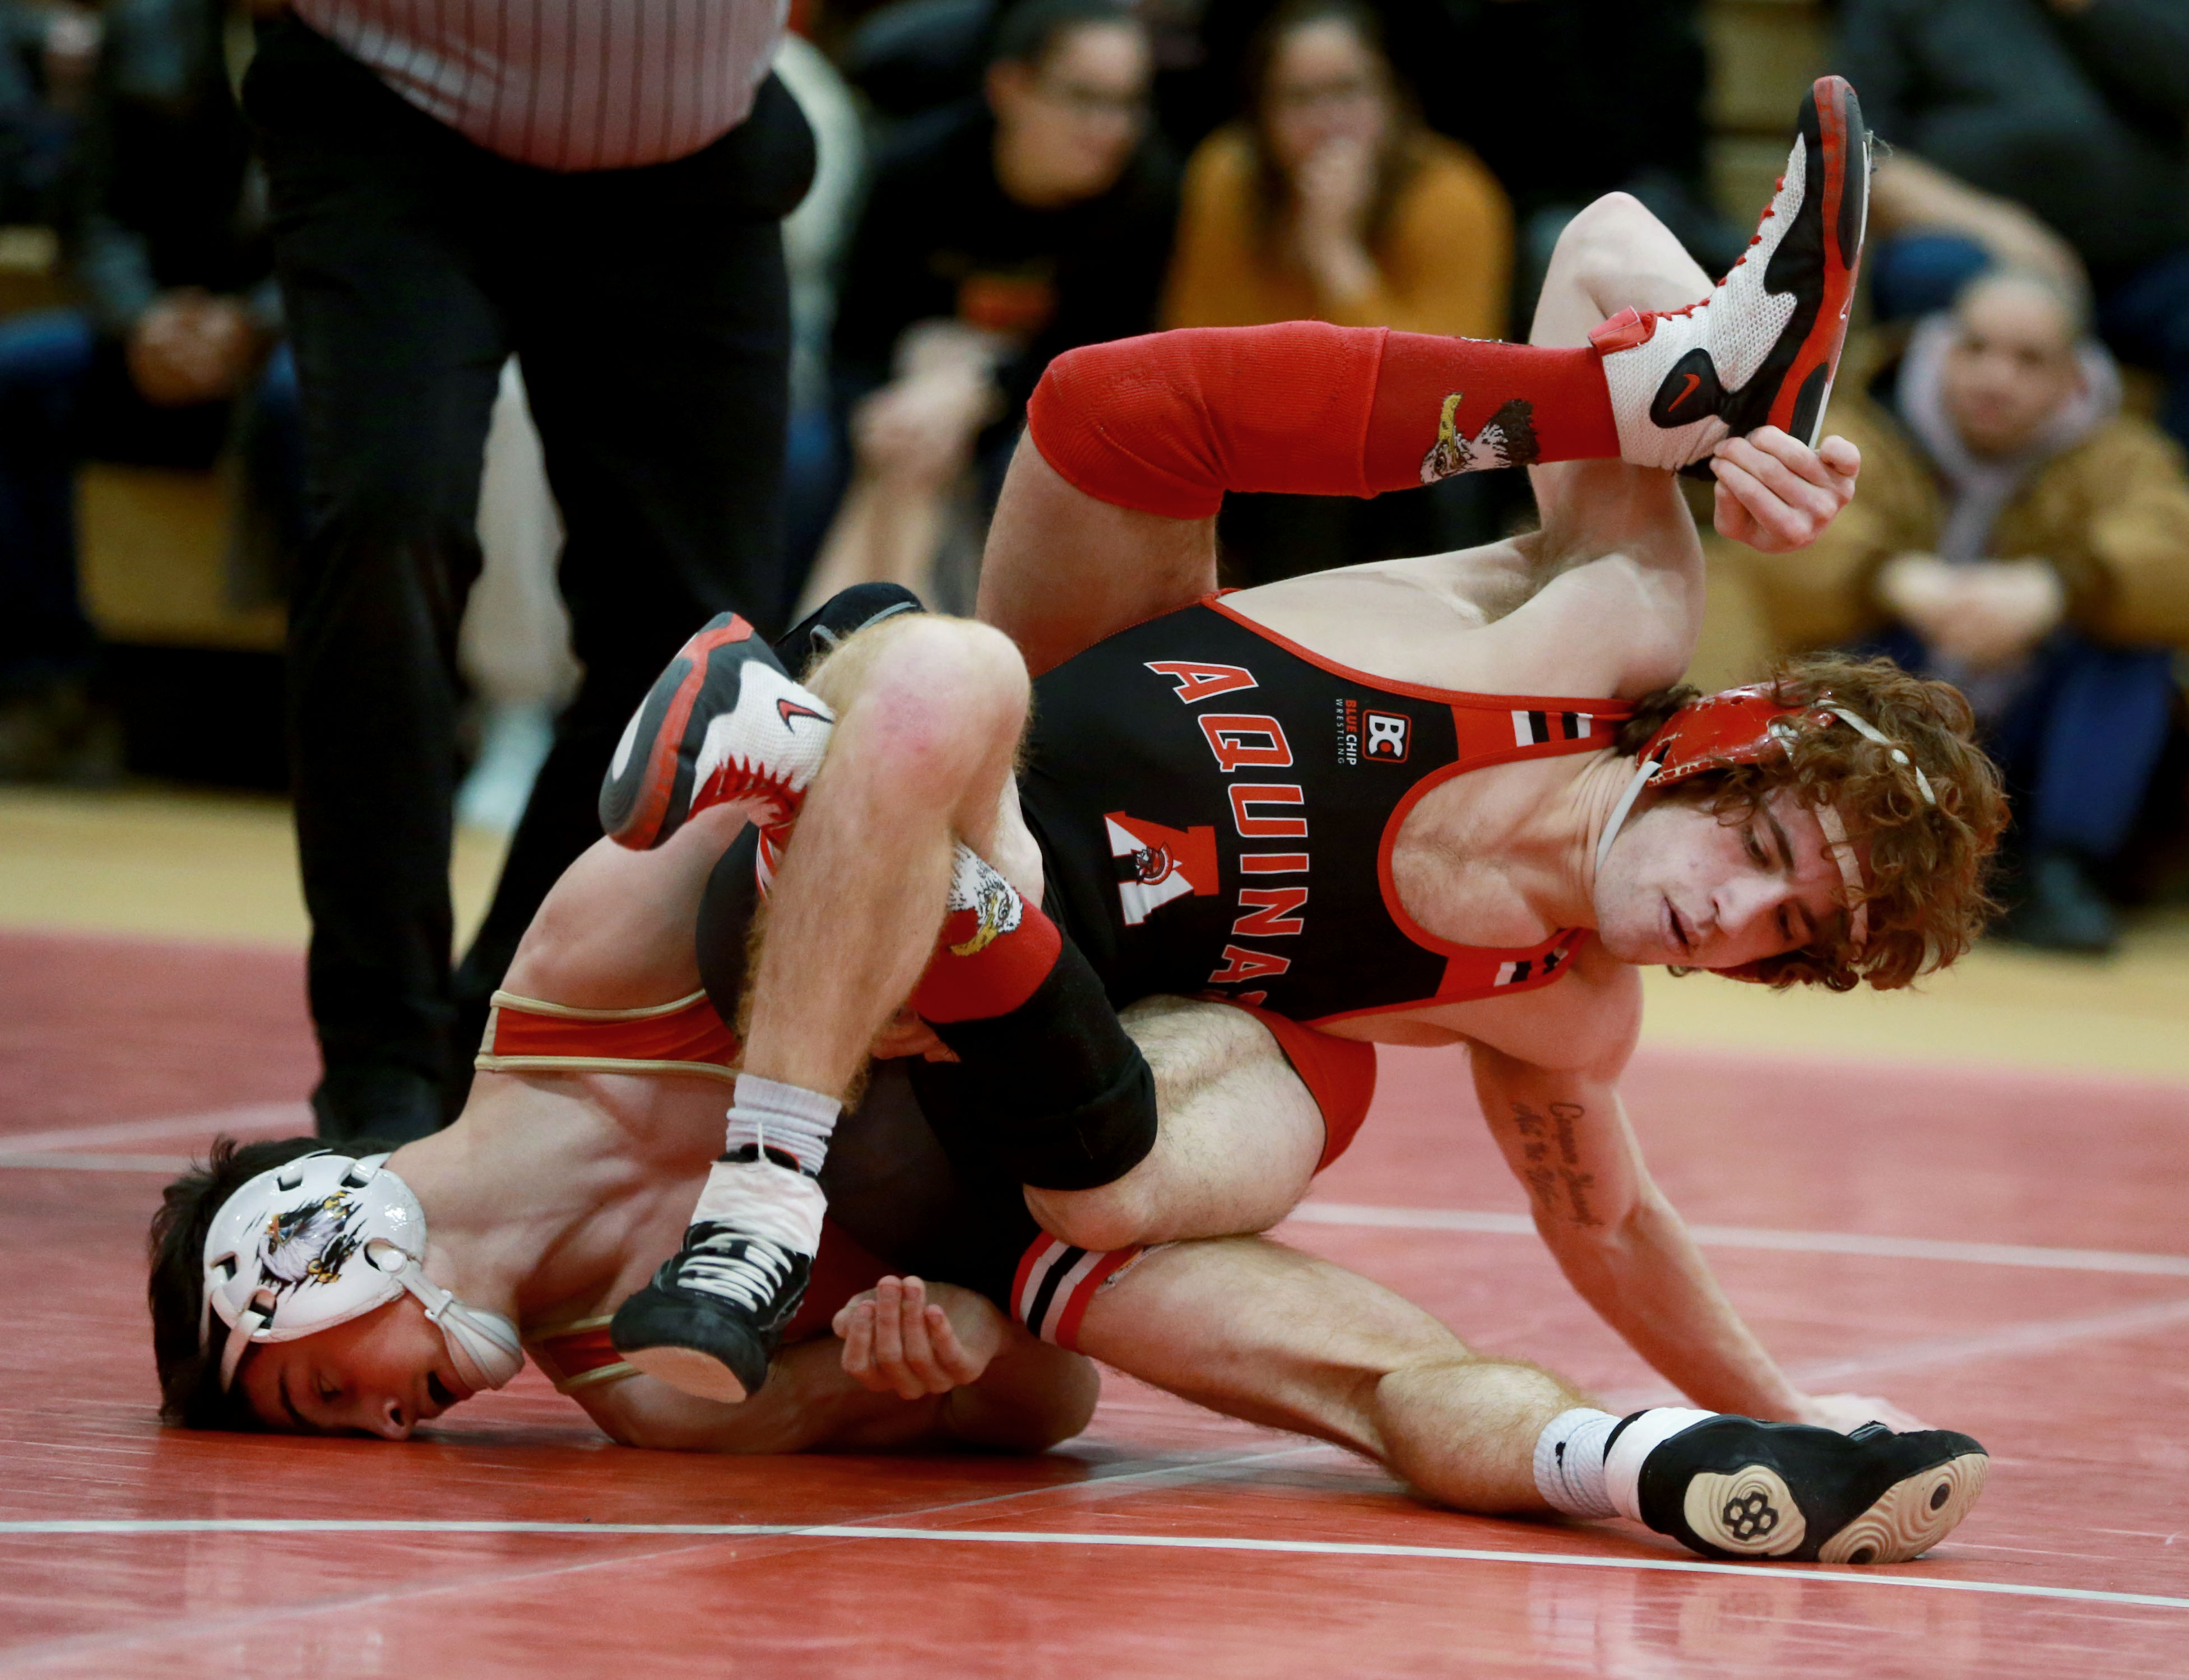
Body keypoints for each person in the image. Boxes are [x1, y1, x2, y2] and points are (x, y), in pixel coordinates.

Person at [597, 81, 2003, 1446]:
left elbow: (1611, 1220)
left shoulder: (1560, 1007)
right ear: (1713, 751)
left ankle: (842, 768)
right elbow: (1603, 240)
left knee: (1180, 1159)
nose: (1733, 920)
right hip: (1037, 736)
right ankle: (1668, 386)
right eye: (1762, 858)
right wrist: (1762, 425)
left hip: (1052, 1028)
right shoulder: (1610, 623)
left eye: (1788, 936)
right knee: (1107, 404)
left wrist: (1784, 1410)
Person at [147, 768, 1991, 1571]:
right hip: (1070, 1185)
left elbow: (884, 741)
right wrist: (941, 1350)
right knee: (1336, 1369)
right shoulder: (653, 1383)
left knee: (908, 697)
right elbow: (1053, 1392)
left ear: (306, 1245)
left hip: (1128, 938)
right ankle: (1682, 1462)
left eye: (332, 1387)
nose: (387, 1425)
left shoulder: (578, 973)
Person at [241, 0, 815, 1146]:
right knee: (385, 523)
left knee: (695, 638)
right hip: (394, 113)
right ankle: (379, 1055)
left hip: (695, 154)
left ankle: (488, 1023)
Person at [1731, 270, 2189, 952]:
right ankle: (1839, 864)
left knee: (2132, 655)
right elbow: (1774, 548)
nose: (1994, 377)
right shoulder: (1861, 427)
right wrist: (1891, 580)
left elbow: (2172, 553)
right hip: (1907, 702)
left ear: (2075, 377)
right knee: (1846, 660)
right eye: (1975, 349)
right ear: (1942, 350)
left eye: (2028, 360)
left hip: (2040, 733)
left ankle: (2063, 872)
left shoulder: (2124, 456)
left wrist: (2061, 589)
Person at [0, 0, 299, 783]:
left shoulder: (375, 40)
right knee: (13, 378)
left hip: (303, 330)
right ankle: (49, 686)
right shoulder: (148, 23)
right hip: (156, 329)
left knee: (305, 404)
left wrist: (256, 324)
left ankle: (317, 708)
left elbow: (376, 231)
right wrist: (144, 321)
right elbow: (90, 215)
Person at [798, 0, 1176, 615]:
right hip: (901, 400)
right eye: (1085, 98)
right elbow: (854, 337)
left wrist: (978, 395)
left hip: (1034, 405)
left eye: (1129, 102)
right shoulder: (916, 171)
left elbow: (1108, 367)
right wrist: (882, 410)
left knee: (1033, 480)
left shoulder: (1147, 196)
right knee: (808, 465)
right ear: (1011, 88)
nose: (1113, 129)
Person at [1160, 0, 1512, 580]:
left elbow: (1448, 392)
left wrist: (1335, 255)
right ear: (1263, 113)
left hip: (1413, 456)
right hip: (1271, 447)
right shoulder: (1227, 175)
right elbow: (1195, 349)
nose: (1327, 121)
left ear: (1392, 98)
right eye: (1298, 99)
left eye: (1348, 91)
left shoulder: (1455, 195)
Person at [1837, 0, 2189, 453]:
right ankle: (1922, 509)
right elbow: (1850, 143)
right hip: (1974, 252)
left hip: (2142, 267)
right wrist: (1993, 225)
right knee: (1925, 274)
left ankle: (2168, 507)